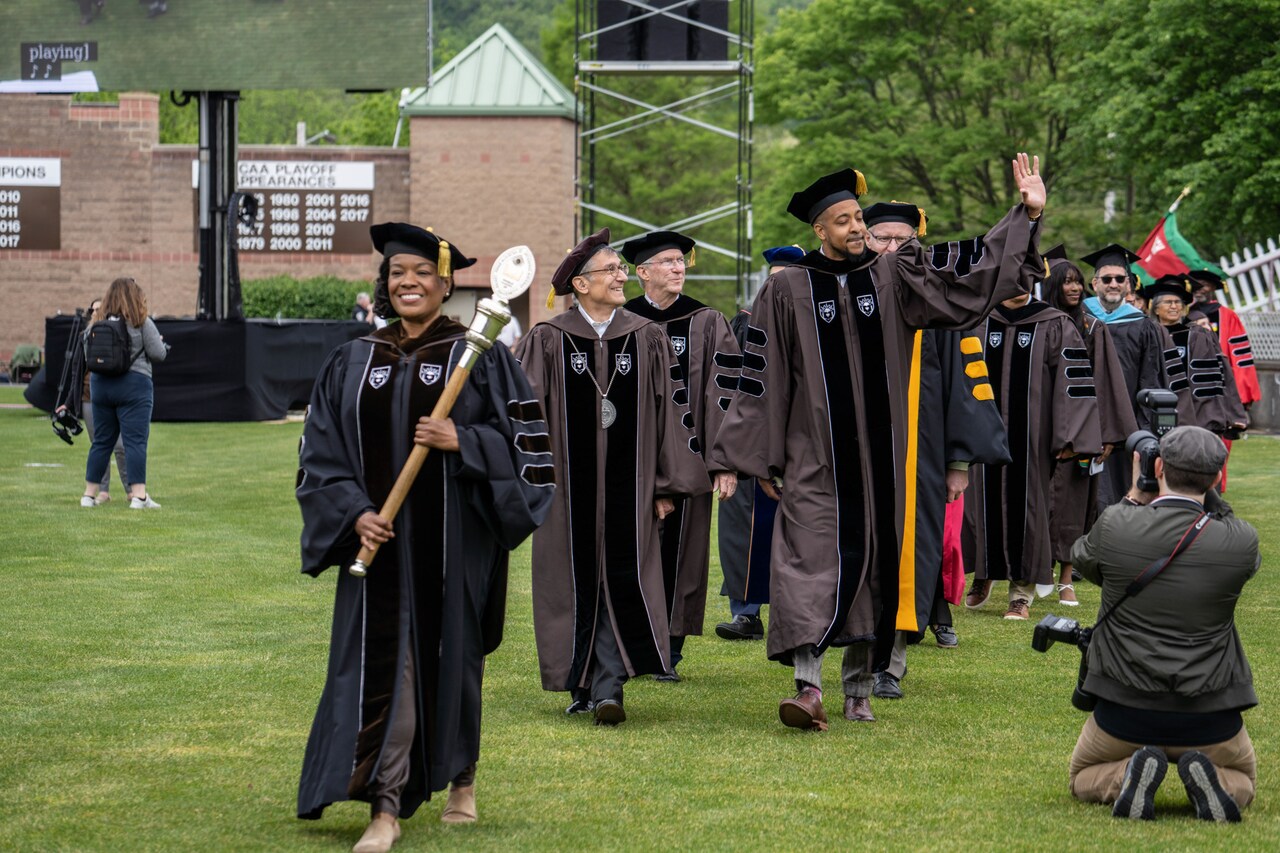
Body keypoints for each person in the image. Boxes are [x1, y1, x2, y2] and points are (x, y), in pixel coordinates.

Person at [711, 154, 1047, 730]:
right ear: (819, 230)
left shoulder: (895, 275)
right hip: (815, 459)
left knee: (875, 566)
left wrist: (1024, 213)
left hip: (886, 461)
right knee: (808, 566)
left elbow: (969, 276)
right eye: (843, 220)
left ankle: (859, 688)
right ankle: (808, 687)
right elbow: (760, 378)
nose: (857, 226)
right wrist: (748, 457)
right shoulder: (787, 290)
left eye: (858, 215)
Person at [295, 223, 554, 851]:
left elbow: (532, 452)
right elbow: (318, 456)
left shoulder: (481, 356)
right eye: (396, 274)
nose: (407, 283)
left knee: (452, 663)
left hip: (455, 544)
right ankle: (385, 805)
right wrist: (355, 511)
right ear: (384, 285)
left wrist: (464, 441)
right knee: (384, 667)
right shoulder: (353, 360)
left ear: (445, 284)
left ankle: (461, 777)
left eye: (421, 274)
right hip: (377, 548)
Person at [514, 228, 709, 726]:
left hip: (634, 489)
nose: (622, 276)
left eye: (622, 269)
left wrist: (668, 485)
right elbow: (525, 415)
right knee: (571, 582)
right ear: (580, 284)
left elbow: (672, 414)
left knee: (624, 577)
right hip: (567, 494)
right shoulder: (548, 339)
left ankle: (609, 685)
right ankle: (580, 682)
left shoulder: (647, 338)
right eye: (612, 270)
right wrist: (533, 484)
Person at [853, 201, 1010, 701]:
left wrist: (958, 463)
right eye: (882, 238)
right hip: (855, 457)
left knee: (910, 559)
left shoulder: (937, 307)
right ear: (863, 239)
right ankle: (850, 649)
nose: (893, 248)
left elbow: (967, 389)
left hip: (919, 461)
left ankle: (890, 664)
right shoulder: (843, 296)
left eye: (904, 240)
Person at [1068, 426, 1258, 822]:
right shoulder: (1240, 542)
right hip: (1211, 715)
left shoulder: (1117, 523)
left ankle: (1126, 776)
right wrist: (1207, 491)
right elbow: (1230, 531)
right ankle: (1216, 785)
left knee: (1082, 775)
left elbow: (1083, 559)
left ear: (1156, 467)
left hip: (1125, 709)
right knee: (1242, 779)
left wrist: (1136, 496)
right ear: (1217, 478)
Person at [620, 230, 739, 679]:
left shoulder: (708, 321)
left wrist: (724, 461)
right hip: (632, 459)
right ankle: (632, 642)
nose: (678, 268)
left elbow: (725, 394)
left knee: (682, 554)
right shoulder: (620, 321)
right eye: (667, 261)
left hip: (691, 460)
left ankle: (669, 649)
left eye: (681, 261)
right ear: (642, 272)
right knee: (633, 548)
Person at [963, 285, 1102, 620]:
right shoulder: (981, 318)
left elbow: (1073, 382)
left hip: (1033, 438)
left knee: (1028, 509)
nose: (1018, 284)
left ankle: (1021, 591)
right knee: (981, 504)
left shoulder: (1054, 323)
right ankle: (985, 572)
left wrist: (1070, 436)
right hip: (983, 432)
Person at [714, 246, 803, 642]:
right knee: (743, 527)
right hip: (751, 438)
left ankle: (800, 612)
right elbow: (730, 384)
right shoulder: (746, 322)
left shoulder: (816, 320)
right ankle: (746, 612)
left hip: (801, 440)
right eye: (773, 278)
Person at [1043, 259, 1137, 606]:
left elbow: (1105, 383)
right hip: (1039, 431)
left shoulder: (1091, 326)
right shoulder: (1037, 322)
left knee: (1074, 506)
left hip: (1078, 435)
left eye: (1077, 282)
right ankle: (1030, 577)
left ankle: (1066, 578)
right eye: (1066, 282)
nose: (1073, 288)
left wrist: (1106, 435)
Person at [1080, 244, 1171, 509]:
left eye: (1120, 279)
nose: (1113, 284)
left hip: (1126, 425)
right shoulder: (1076, 319)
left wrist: (1142, 430)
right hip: (1083, 419)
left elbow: (1151, 380)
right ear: (1094, 282)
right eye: (1106, 279)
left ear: (1129, 284)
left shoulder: (1142, 325)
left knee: (1122, 490)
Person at [81, 277, 167, 510]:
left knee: (101, 441)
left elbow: (86, 350)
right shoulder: (141, 322)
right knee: (135, 442)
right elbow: (158, 354)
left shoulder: (96, 324)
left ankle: (89, 494)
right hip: (134, 385)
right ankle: (138, 496)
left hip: (101, 387)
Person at [1145, 274, 1248, 440]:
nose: (1174, 306)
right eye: (1168, 302)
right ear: (1155, 308)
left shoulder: (1199, 336)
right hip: (1154, 410)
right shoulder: (1147, 336)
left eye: (1178, 302)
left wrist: (1233, 414)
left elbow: (1218, 378)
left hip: (1195, 413)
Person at [1188, 268, 1258, 491]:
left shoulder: (1227, 316)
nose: (1199, 288)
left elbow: (1240, 358)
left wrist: (1240, 395)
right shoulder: (1183, 312)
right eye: (1195, 284)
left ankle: (1216, 490)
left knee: (1219, 447)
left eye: (1204, 284)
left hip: (1220, 392)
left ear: (1214, 288)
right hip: (1189, 392)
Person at [79, 298, 130, 505]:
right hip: (89, 396)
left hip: (113, 395)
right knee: (99, 444)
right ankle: (103, 490)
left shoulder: (116, 333)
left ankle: (131, 489)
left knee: (121, 446)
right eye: (93, 309)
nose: (95, 312)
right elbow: (77, 369)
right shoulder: (85, 336)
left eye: (99, 309)